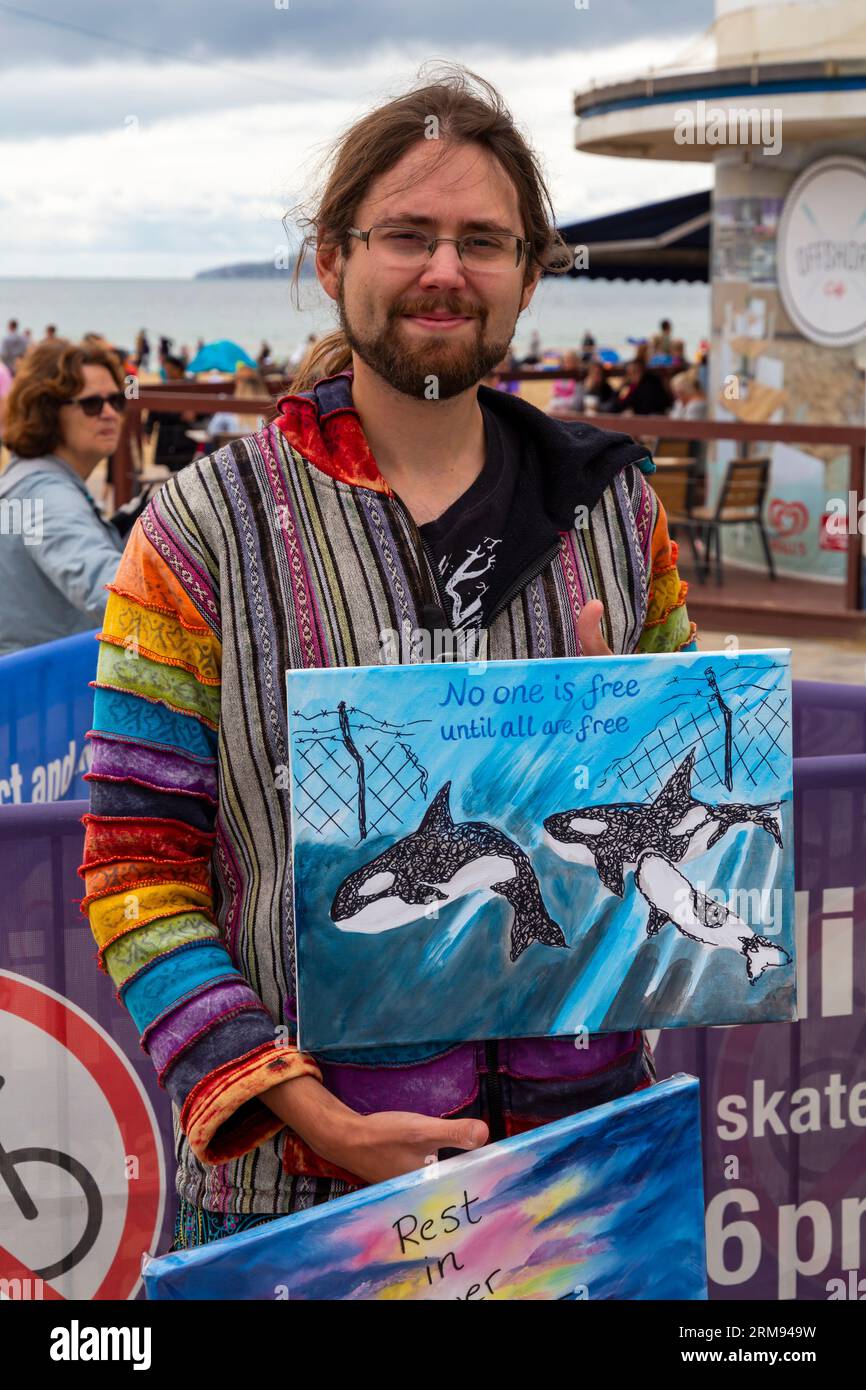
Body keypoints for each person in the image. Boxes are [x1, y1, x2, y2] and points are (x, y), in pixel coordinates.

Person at [79, 64, 696, 1250]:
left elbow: (644, 857)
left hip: (576, 1175)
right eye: (406, 234)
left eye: (483, 241)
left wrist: (610, 730)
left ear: (525, 273)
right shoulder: (205, 528)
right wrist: (301, 1106)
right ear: (331, 257)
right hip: (300, 1207)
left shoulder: (617, 519)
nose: (444, 270)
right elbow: (133, 862)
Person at [0, 338, 129, 655]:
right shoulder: (44, 493)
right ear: (48, 411)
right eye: (91, 404)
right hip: (43, 694)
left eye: (117, 400)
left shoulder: (24, 479)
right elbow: (104, 585)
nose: (110, 413)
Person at [143, 354, 210, 471]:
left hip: (186, 437)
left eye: (169, 369)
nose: (167, 372)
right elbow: (153, 411)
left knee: (186, 469)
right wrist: (148, 430)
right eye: (166, 369)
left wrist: (195, 414)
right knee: (166, 470)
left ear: (178, 370)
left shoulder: (191, 386)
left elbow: (207, 407)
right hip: (165, 437)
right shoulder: (164, 387)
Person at [603, 357, 672, 416]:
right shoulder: (629, 386)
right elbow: (617, 405)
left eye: (635, 371)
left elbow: (649, 406)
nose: (632, 376)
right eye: (629, 373)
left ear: (642, 371)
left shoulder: (651, 384)